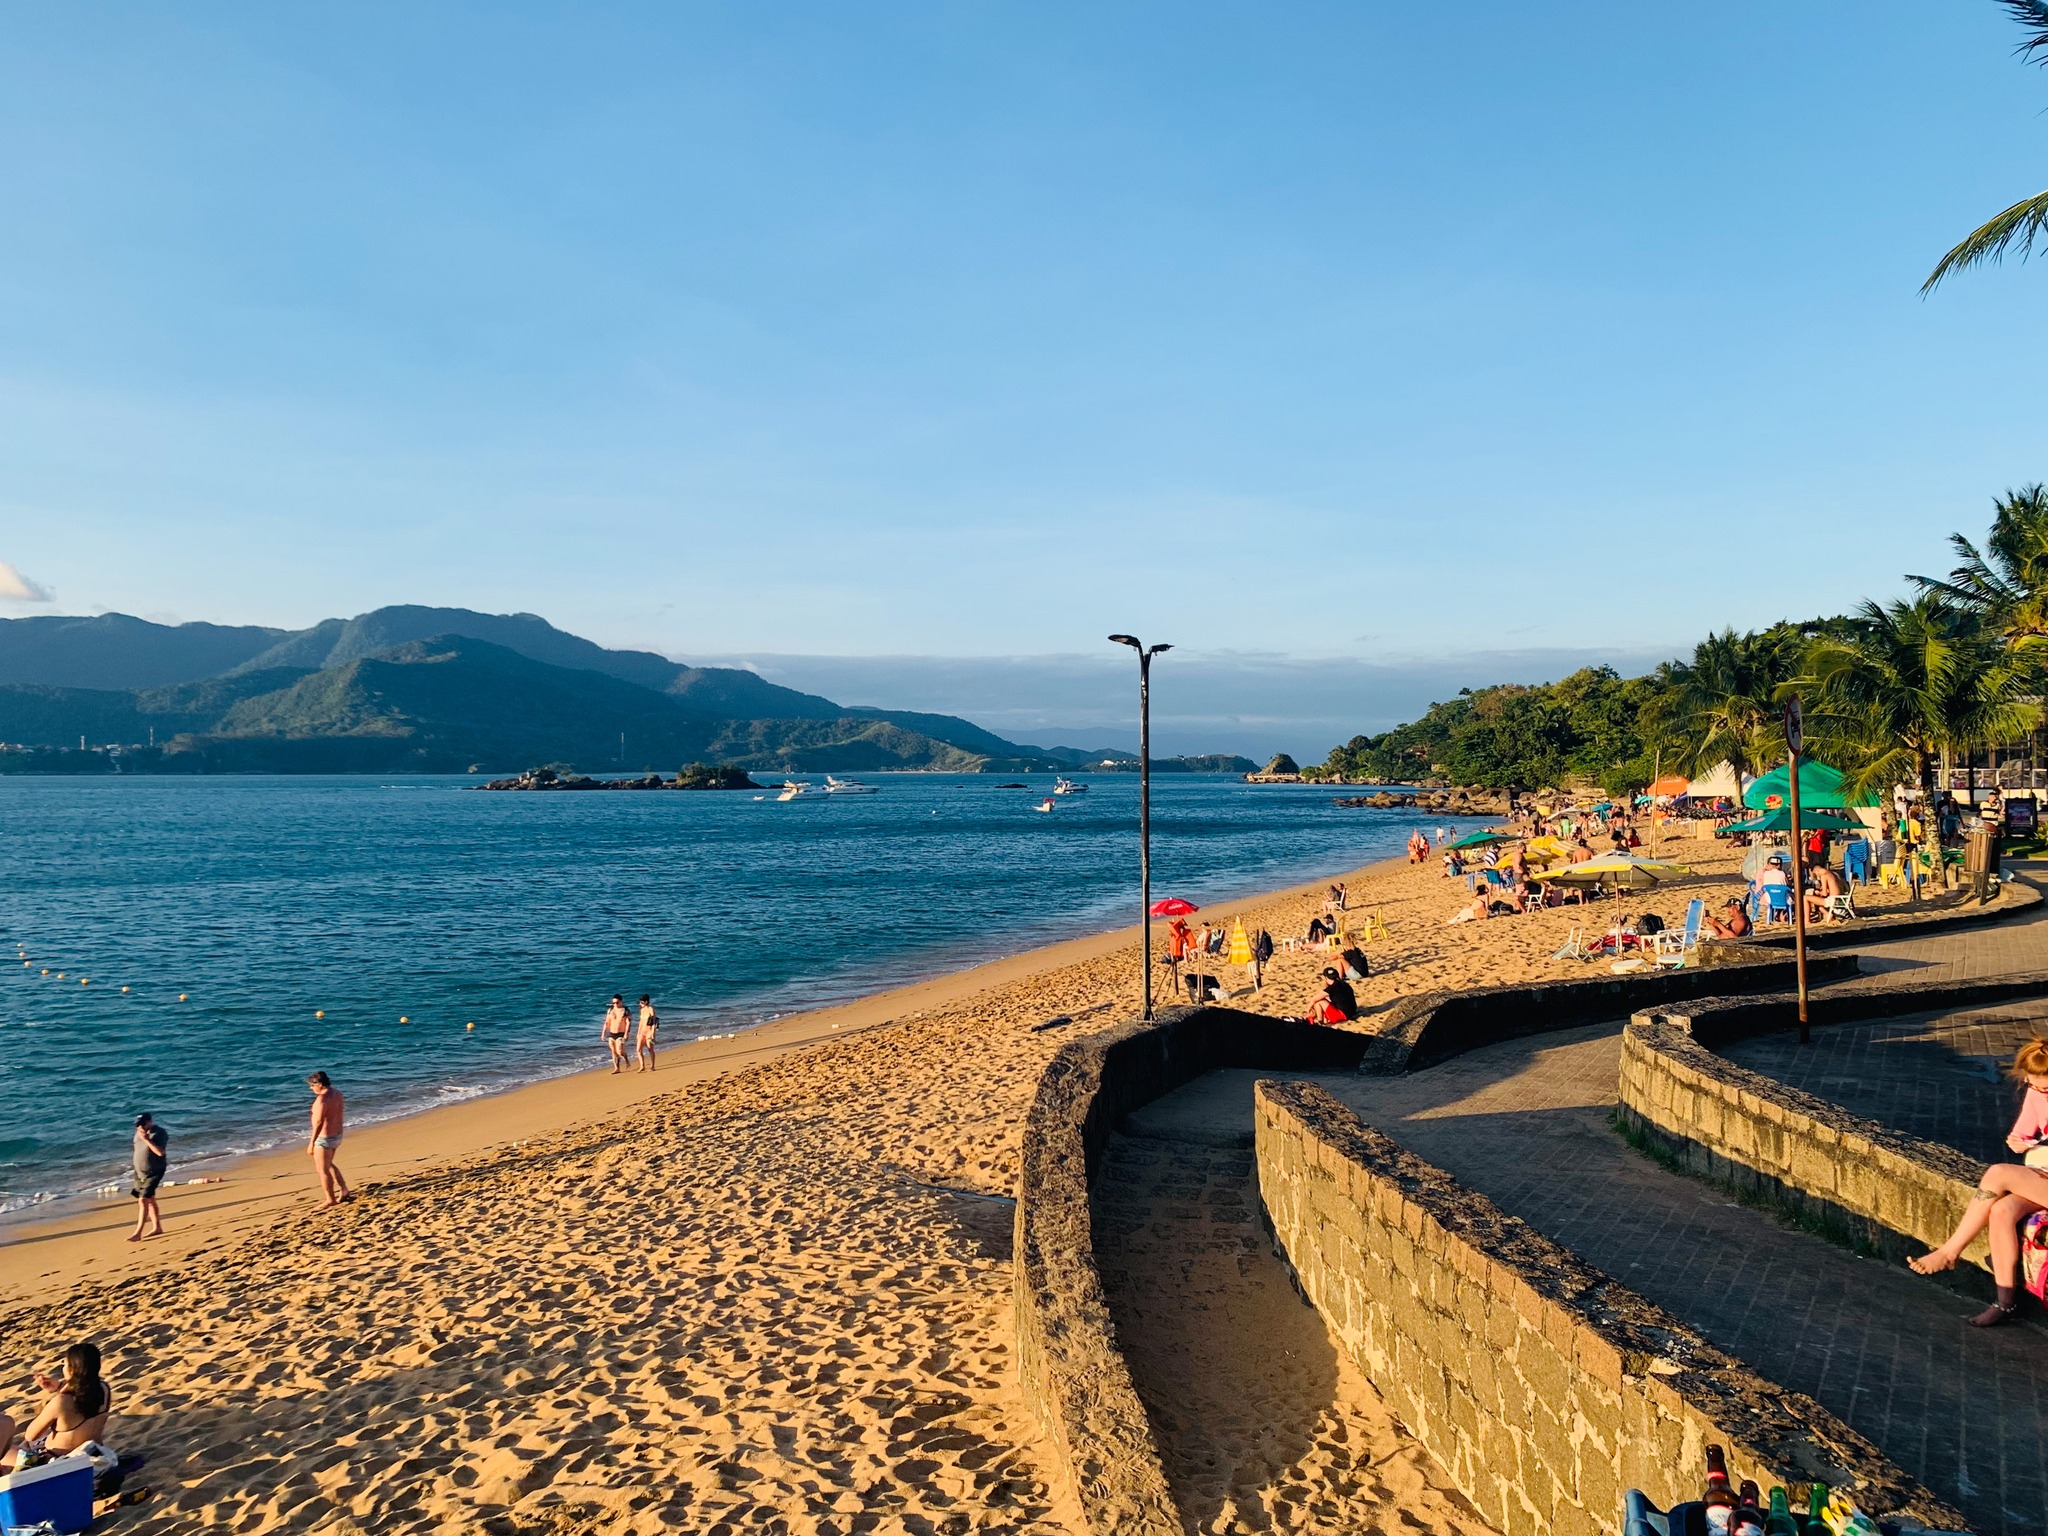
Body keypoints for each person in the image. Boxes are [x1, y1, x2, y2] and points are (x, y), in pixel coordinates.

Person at [1910, 1038, 2048, 1325]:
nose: (2038, 1090)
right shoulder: (2036, 1093)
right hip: (2041, 1175)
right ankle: (2004, 1303)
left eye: (2045, 1086)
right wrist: (2019, 1142)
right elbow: (2021, 1134)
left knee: (1998, 1173)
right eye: (2033, 1084)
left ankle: (1950, 1251)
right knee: (2001, 1211)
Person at [0, 1342, 110, 1470]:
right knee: (44, 1434)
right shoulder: (104, 1388)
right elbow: (82, 1396)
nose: (63, 1368)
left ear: (71, 1370)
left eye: (65, 1364)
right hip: (90, 1451)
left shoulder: (61, 1402)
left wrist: (59, 1395)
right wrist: (59, 1387)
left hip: (55, 1462)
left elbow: (30, 1435)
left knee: (8, 1452)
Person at [307, 1071, 350, 1208]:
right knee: (328, 1163)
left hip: (324, 1138)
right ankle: (344, 1189)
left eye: (312, 1085)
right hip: (336, 1134)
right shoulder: (337, 1094)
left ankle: (330, 1199)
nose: (311, 1088)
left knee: (322, 1169)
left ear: (319, 1084)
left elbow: (319, 1122)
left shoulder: (322, 1100)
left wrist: (312, 1143)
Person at [129, 1112, 168, 1242]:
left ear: (149, 1122)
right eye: (137, 1125)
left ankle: (138, 1233)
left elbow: (160, 1152)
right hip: (140, 1172)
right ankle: (157, 1228)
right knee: (150, 1199)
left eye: (142, 1124)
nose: (139, 1127)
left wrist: (147, 1139)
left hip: (155, 1171)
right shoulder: (138, 1132)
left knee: (143, 1200)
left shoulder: (159, 1133)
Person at [602, 994, 632, 1073]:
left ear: (621, 1001)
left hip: (621, 1034)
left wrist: (626, 1033)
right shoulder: (610, 1010)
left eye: (617, 1002)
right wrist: (603, 1033)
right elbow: (607, 1022)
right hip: (612, 1033)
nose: (615, 1004)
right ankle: (616, 1068)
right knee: (613, 1051)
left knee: (620, 1051)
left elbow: (628, 1023)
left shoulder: (625, 1010)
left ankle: (626, 1058)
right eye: (613, 1003)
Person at [634, 994, 660, 1073]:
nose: (640, 1004)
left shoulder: (650, 1009)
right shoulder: (641, 1010)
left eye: (641, 1002)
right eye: (639, 1002)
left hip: (649, 1031)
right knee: (638, 1049)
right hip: (642, 1031)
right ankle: (642, 1066)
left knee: (650, 1049)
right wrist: (638, 1033)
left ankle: (652, 1066)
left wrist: (653, 1033)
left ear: (646, 1002)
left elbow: (654, 1022)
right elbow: (641, 1022)